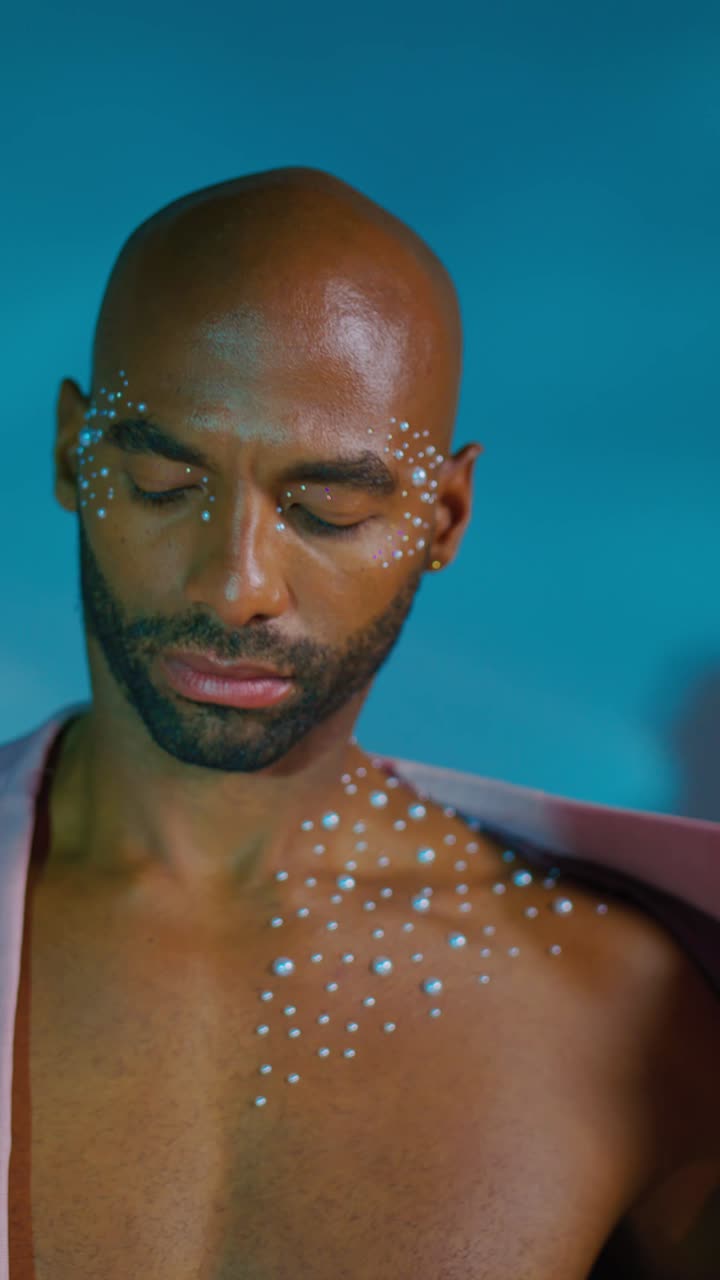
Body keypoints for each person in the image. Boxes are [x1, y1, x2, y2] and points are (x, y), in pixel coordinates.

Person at [2, 166, 718, 1279]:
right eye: (159, 478)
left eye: (325, 508)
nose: (234, 581)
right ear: (69, 456)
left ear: (444, 517)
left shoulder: (625, 1017)